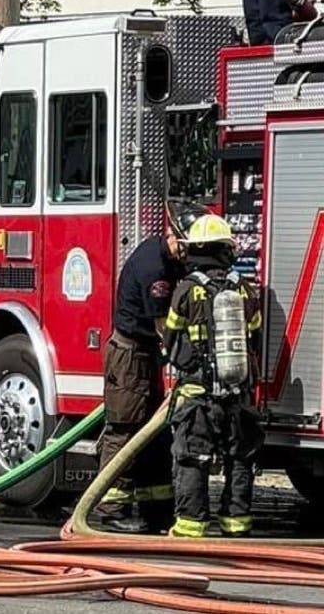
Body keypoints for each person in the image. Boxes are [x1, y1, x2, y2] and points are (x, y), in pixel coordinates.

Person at [95, 204, 202, 532]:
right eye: (188, 248)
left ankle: (157, 506)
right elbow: (163, 328)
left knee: (154, 433)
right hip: (130, 358)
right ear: (174, 238)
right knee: (125, 429)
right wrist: (188, 358)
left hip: (142, 358)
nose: (189, 255)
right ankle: (108, 507)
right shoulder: (155, 269)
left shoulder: (162, 256)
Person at [164, 214, 263, 538]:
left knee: (193, 459)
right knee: (239, 459)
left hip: (197, 397)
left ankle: (190, 527)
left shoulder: (186, 290)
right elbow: (256, 337)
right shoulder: (244, 288)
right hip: (237, 396)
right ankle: (237, 524)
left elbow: (171, 341)